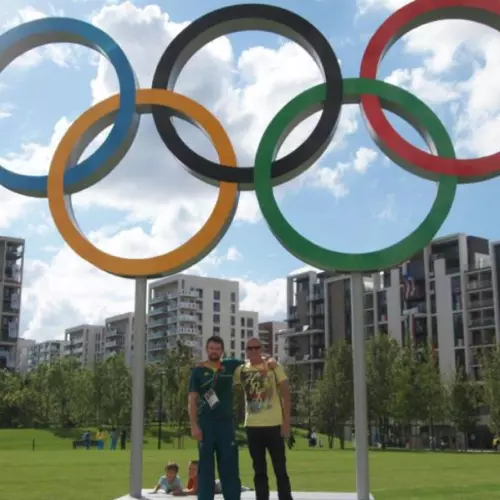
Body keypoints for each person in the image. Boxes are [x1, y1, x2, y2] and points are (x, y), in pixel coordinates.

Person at [188, 336, 274, 500]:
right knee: (205, 467)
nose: (214, 351)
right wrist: (194, 425)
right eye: (211, 348)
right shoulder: (198, 371)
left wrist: (269, 360)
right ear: (207, 350)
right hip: (206, 423)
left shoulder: (230, 365)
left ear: (222, 351)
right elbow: (191, 400)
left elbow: (252, 360)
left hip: (226, 424)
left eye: (217, 349)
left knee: (229, 465)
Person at [234, 337, 293, 500]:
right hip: (252, 426)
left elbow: (287, 394)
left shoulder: (274, 367)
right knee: (259, 471)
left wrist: (287, 421)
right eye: (250, 348)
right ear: (246, 350)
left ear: (261, 349)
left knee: (280, 469)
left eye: (256, 348)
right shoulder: (241, 370)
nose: (253, 351)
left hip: (274, 425)